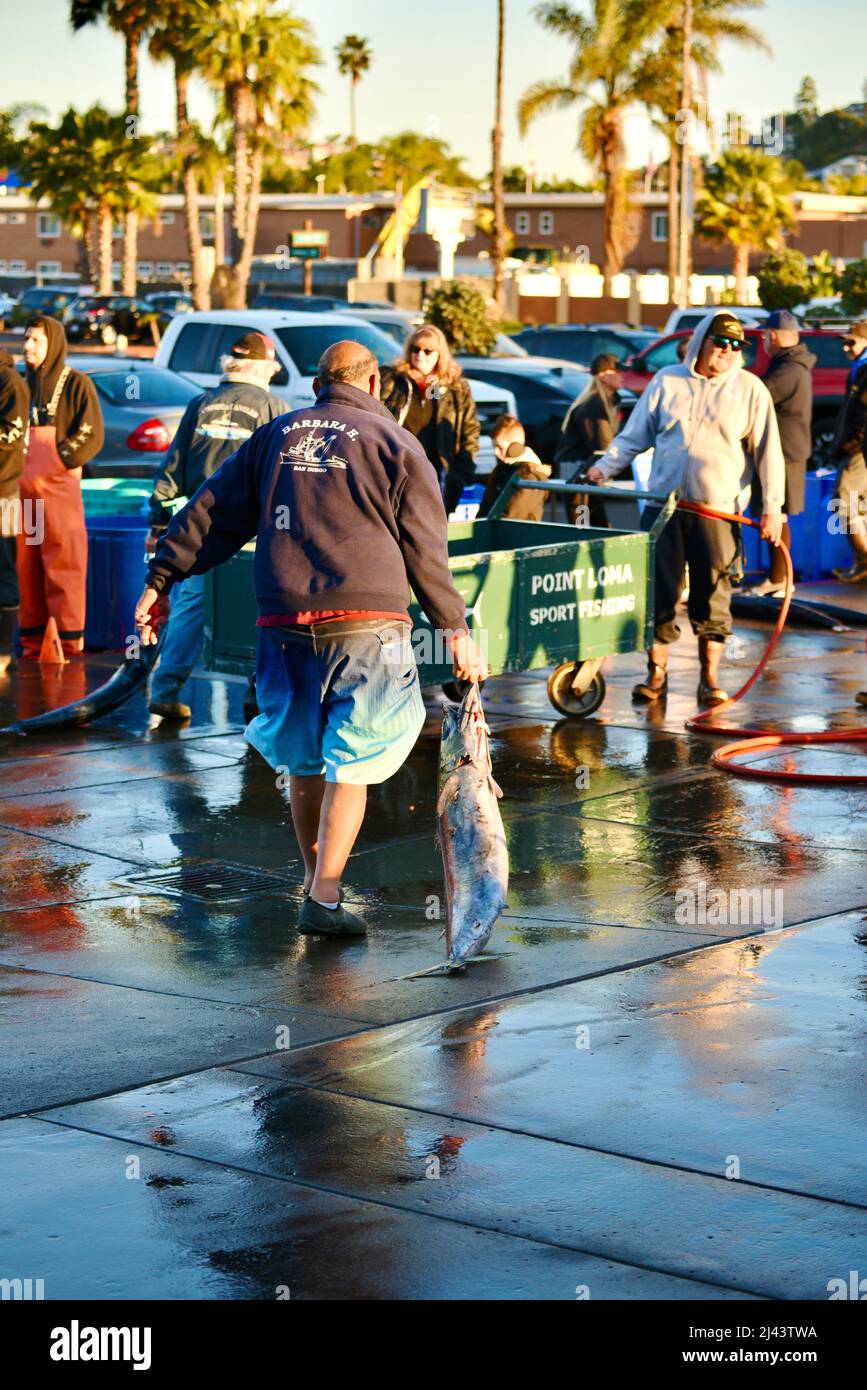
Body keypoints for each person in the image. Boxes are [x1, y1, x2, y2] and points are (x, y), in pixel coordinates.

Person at [134, 340, 486, 938]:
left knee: (304, 756)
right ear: (373, 384)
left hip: (284, 622)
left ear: (318, 383)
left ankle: (314, 883)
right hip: (367, 624)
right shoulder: (396, 443)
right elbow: (427, 552)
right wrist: (455, 630)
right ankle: (323, 897)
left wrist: (160, 580)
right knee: (354, 758)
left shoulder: (279, 435)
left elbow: (208, 511)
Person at [586, 311, 785, 706]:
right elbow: (633, 436)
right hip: (665, 508)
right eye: (720, 342)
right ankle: (655, 674)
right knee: (659, 591)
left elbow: (769, 454)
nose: (728, 351)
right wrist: (602, 468)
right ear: (700, 343)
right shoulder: (668, 381)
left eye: (736, 345)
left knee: (714, 593)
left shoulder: (750, 389)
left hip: (717, 510)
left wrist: (773, 509)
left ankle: (709, 679)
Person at [146, 330, 285, 720]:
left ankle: (165, 689)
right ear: (264, 366)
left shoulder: (200, 403)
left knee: (191, 610)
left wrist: (159, 518)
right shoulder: (274, 408)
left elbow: (171, 468)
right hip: (251, 534)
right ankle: (256, 696)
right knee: (256, 613)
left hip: (197, 533)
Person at [18, 315, 104, 659]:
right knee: (23, 564)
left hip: (58, 489)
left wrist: (58, 458)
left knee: (64, 563)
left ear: (52, 343)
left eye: (36, 340)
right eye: (25, 339)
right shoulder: (17, 385)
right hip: (19, 494)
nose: (27, 347)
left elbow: (91, 433)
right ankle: (29, 643)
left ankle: (68, 643)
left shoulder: (76, 383)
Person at [744, 309, 814, 596]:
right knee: (777, 514)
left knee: (776, 514)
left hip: (782, 454)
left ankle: (779, 579)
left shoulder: (788, 370)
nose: (762, 340)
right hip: (786, 451)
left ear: (772, 336)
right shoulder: (792, 365)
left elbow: (756, 398)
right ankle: (778, 577)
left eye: (763, 335)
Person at [380, 324, 480, 515]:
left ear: (439, 355)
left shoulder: (456, 388)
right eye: (415, 349)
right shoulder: (393, 379)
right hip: (398, 464)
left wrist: (463, 472)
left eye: (428, 350)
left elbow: (470, 430)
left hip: (437, 471)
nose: (420, 355)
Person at [554, 352, 623, 526]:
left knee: (598, 526)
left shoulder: (604, 402)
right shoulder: (593, 406)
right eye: (617, 371)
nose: (622, 376)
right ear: (603, 377)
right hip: (576, 475)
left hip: (584, 473)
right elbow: (602, 445)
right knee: (582, 528)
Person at [830, 319, 867, 583]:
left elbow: (862, 417)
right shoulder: (858, 370)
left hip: (859, 451)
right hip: (854, 449)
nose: (846, 348)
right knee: (856, 504)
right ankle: (861, 561)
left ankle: (864, 560)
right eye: (844, 342)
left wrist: (851, 445)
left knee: (844, 502)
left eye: (851, 342)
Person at [0, 350, 29, 673]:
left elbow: (11, 435)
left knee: (4, 565)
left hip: (4, 492)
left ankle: (5, 649)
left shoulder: (10, 383)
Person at [477, 414, 551, 520]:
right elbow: (485, 507)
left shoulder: (531, 476)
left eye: (500, 447)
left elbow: (513, 516)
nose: (496, 452)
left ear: (515, 446)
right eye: (494, 447)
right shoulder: (502, 468)